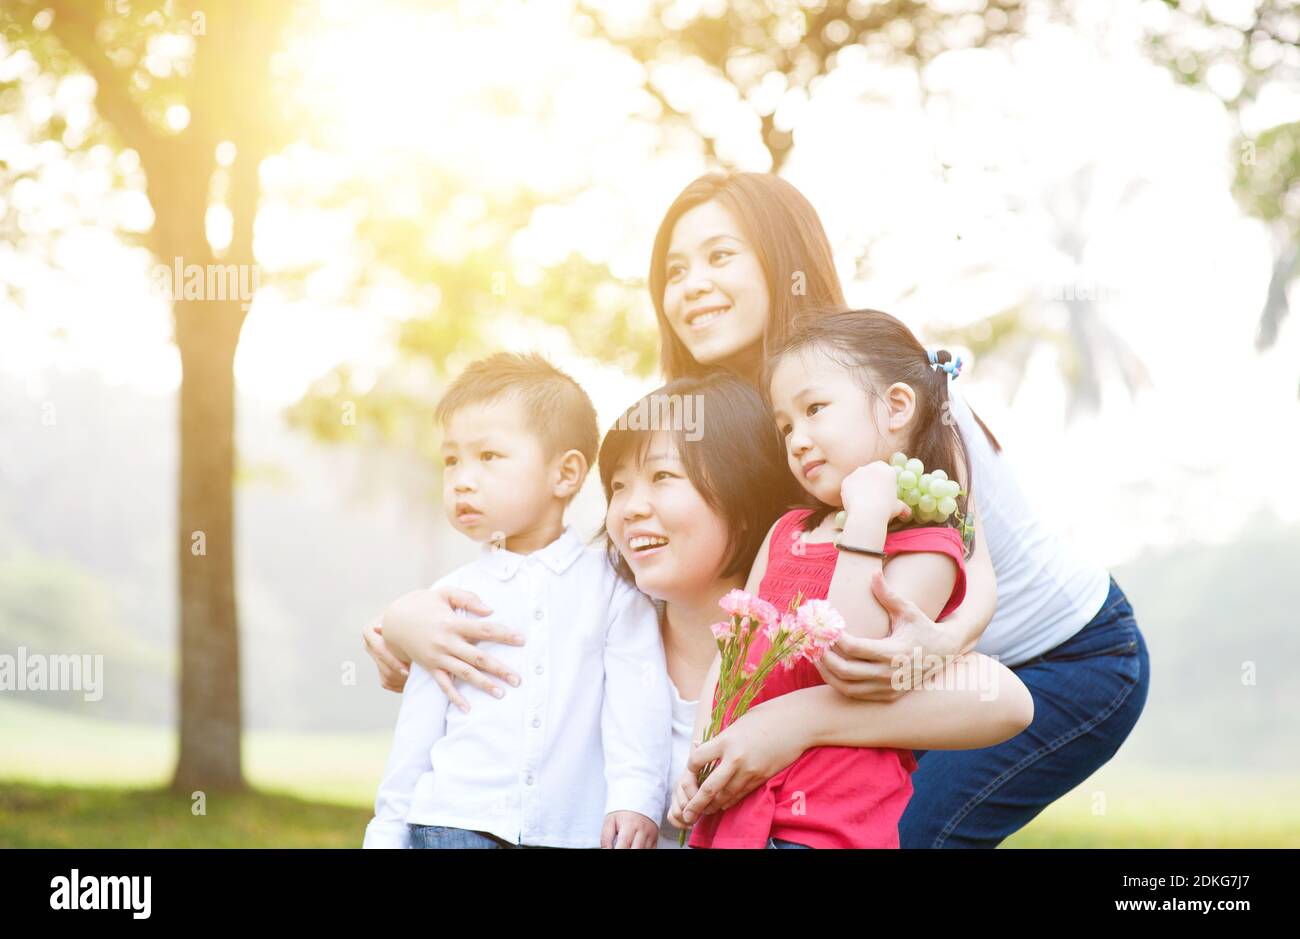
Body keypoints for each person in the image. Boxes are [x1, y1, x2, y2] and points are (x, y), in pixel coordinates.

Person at [367, 170, 1150, 848]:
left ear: (783, 260)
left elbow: (966, 555)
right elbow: (608, 548)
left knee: (900, 832)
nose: (691, 284)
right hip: (880, 668)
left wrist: (937, 643)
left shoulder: (873, 387)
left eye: (719, 255)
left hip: (1056, 661)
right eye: (674, 268)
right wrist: (409, 616)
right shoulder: (761, 425)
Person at [679, 309, 972, 849]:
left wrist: (867, 516)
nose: (796, 438)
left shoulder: (928, 548)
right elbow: (733, 648)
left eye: (815, 409)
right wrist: (701, 750)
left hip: (824, 826)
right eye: (785, 425)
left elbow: (846, 650)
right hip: (737, 804)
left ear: (896, 407)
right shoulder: (788, 531)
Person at [361, 352, 671, 849]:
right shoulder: (444, 601)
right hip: (453, 823)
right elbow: (416, 732)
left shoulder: (613, 588)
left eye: (488, 457)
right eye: (451, 460)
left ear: (565, 474)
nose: (462, 478)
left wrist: (635, 797)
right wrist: (387, 830)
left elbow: (637, 703)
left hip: (572, 831)